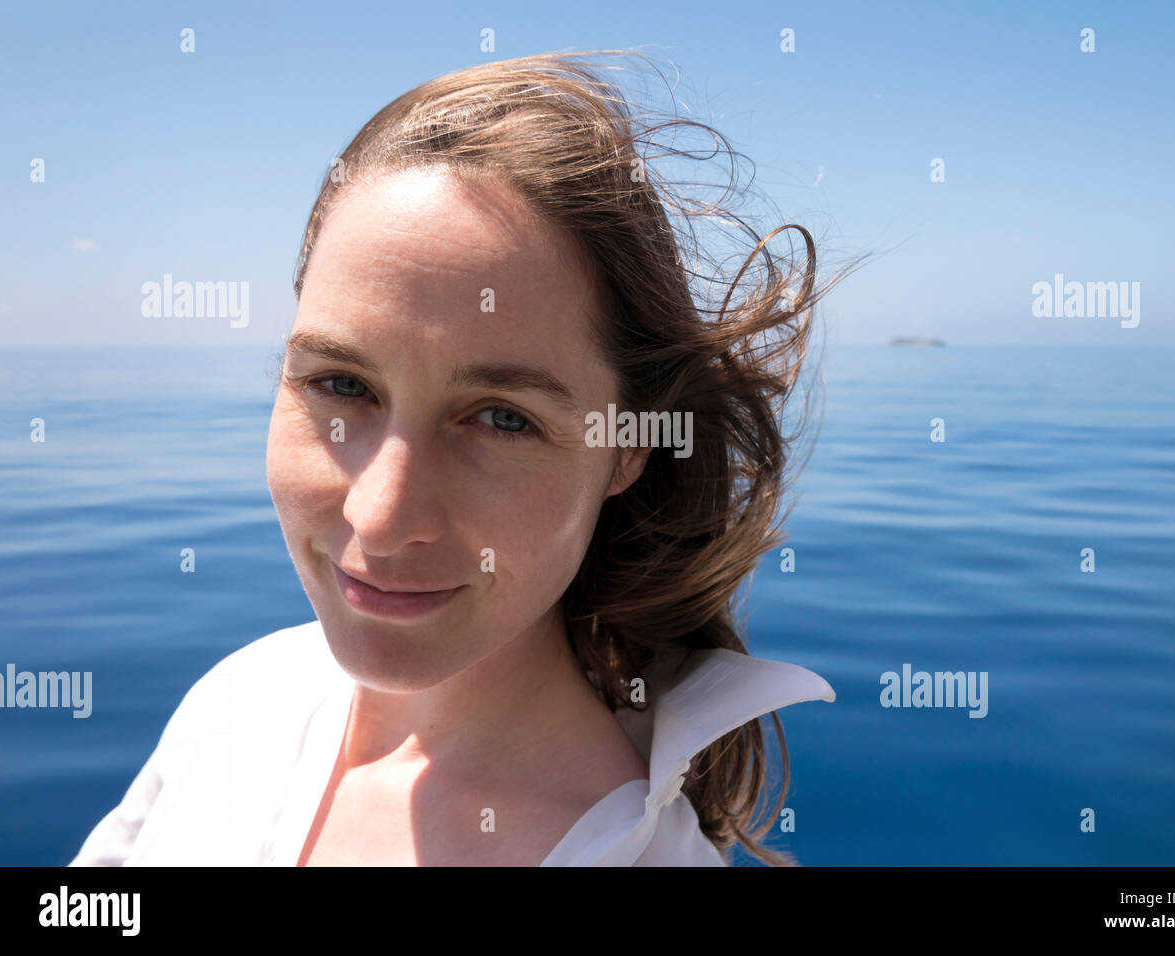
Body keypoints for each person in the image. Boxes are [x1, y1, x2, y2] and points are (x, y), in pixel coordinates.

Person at [70, 50, 856, 867]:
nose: (382, 514)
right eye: (341, 383)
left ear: (630, 447)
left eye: (502, 419)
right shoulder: (239, 703)